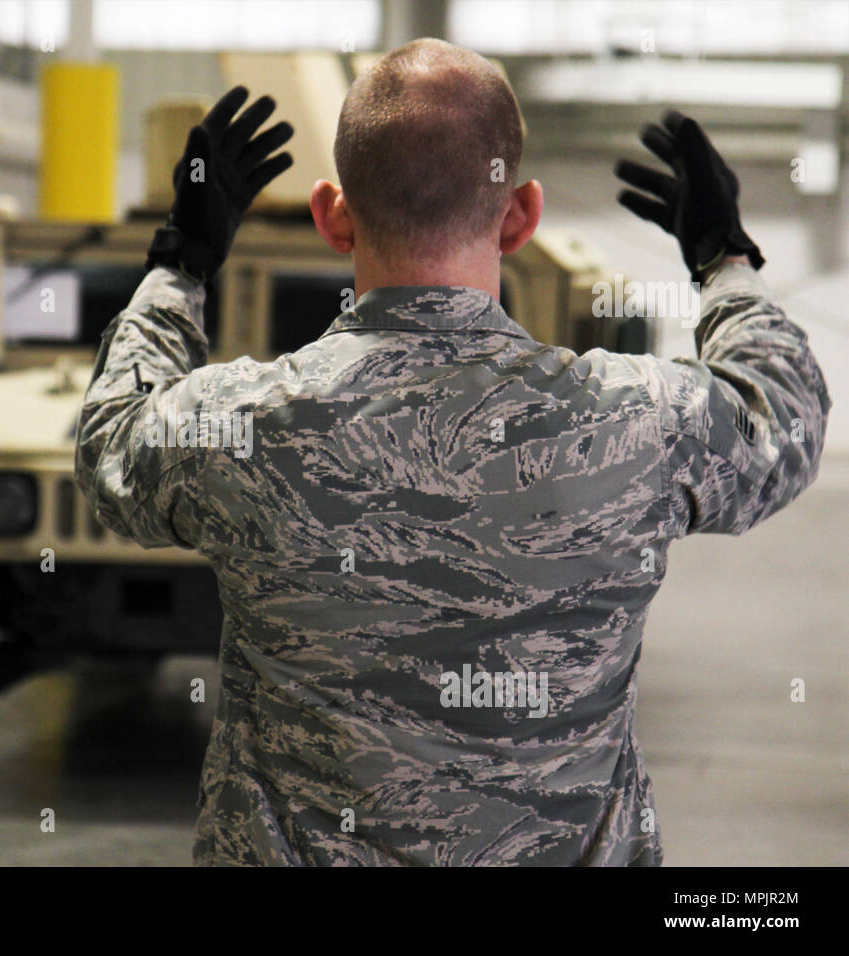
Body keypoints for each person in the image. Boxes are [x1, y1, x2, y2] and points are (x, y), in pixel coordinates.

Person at [74, 40, 830, 866]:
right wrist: (725, 259)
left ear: (332, 214)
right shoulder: (636, 420)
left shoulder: (241, 427)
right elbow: (782, 415)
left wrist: (179, 264)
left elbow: (112, 442)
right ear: (521, 216)